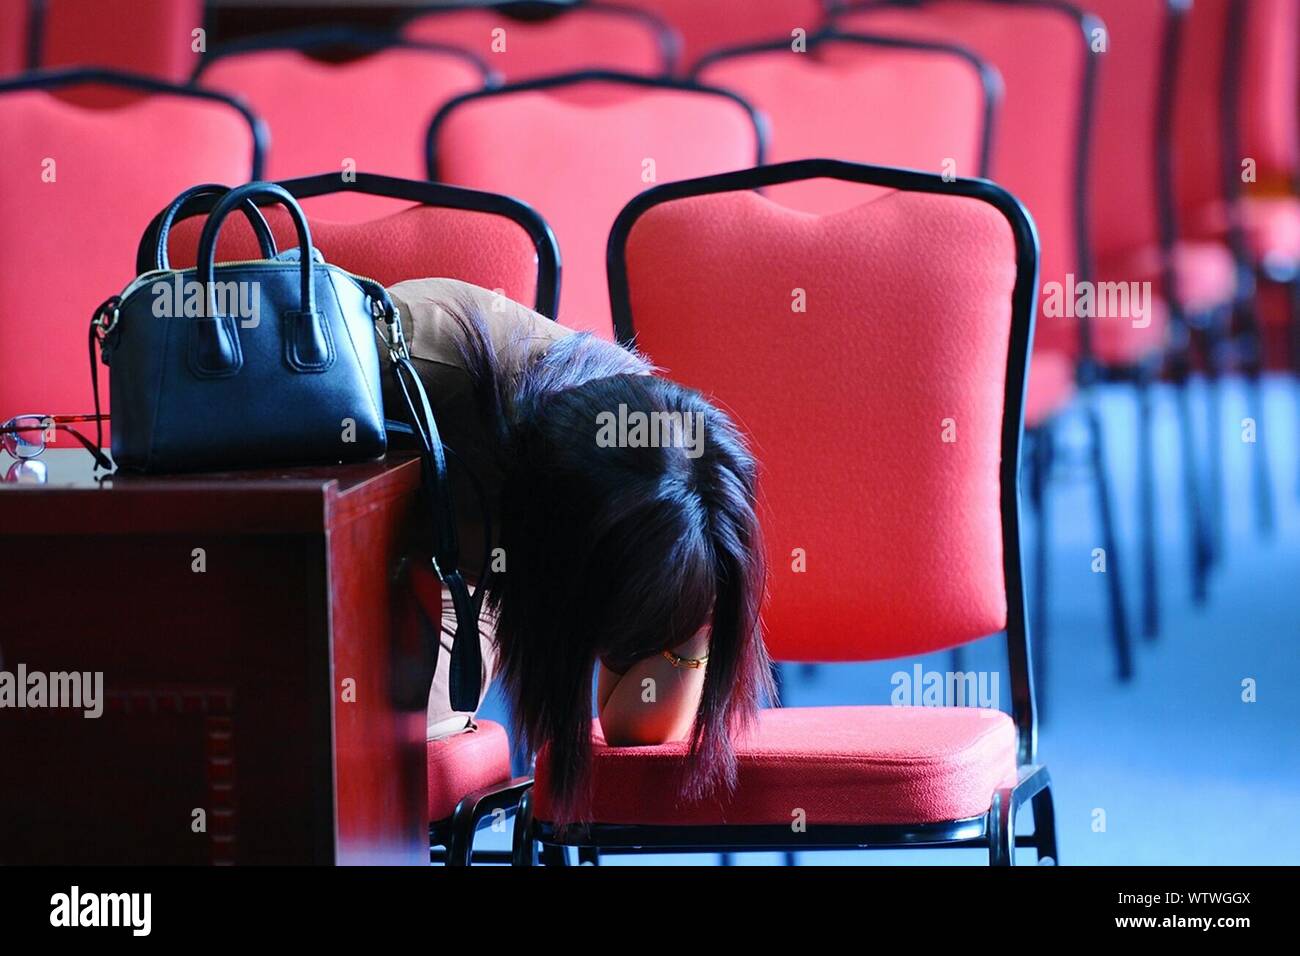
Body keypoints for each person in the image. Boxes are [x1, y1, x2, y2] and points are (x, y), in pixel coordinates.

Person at [382, 277, 774, 822]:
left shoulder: (652, 453)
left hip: (462, 551)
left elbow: (637, 727)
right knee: (385, 745)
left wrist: (698, 612)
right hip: (337, 529)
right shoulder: (418, 382)